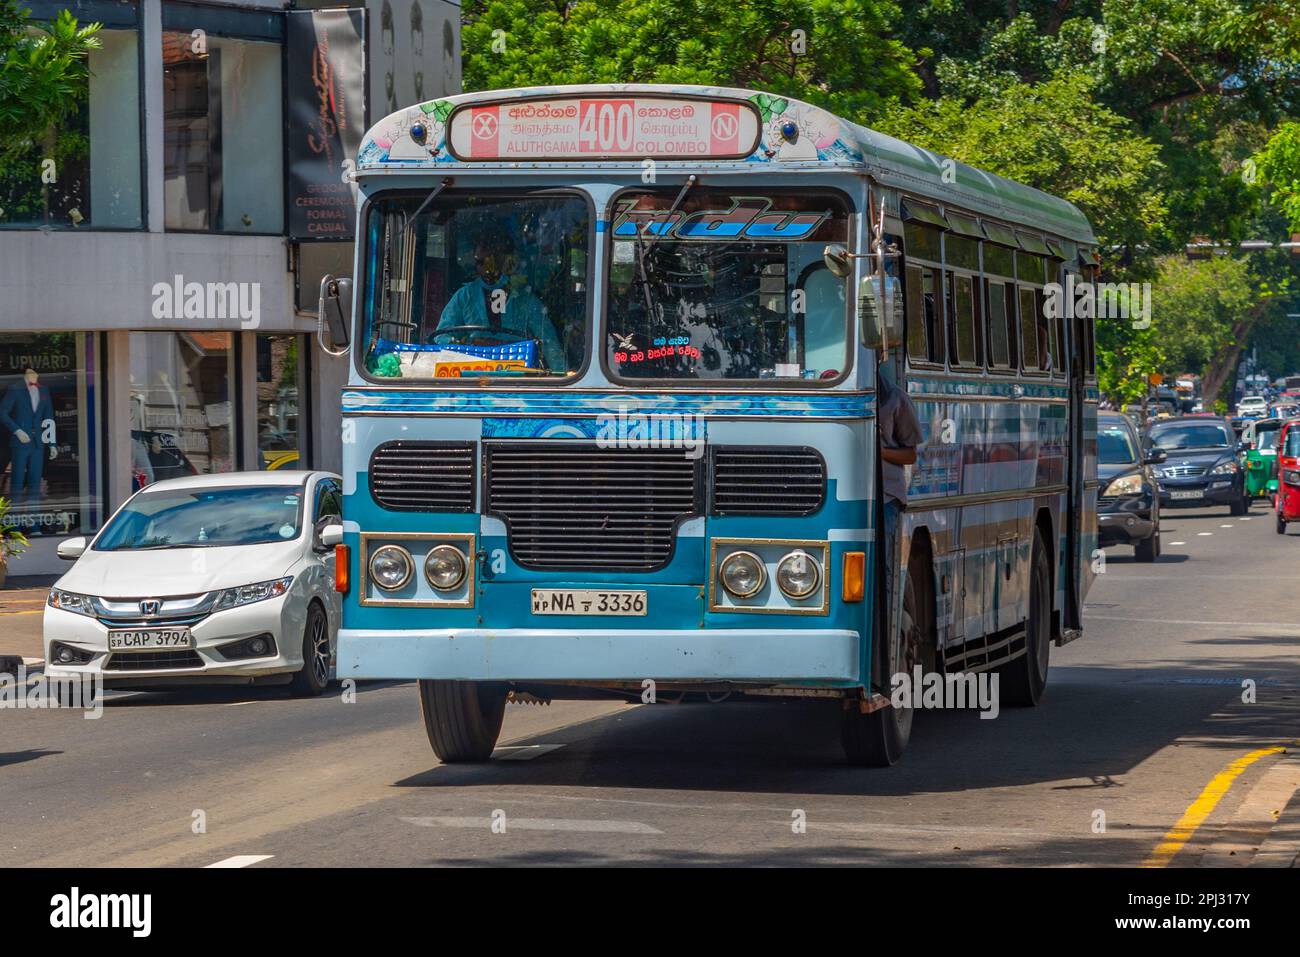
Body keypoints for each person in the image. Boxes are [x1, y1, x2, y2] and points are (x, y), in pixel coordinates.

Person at [435, 231, 567, 372]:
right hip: (471, 376)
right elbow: (441, 336)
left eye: (493, 262)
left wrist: (562, 377)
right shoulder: (465, 296)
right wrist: (466, 343)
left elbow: (549, 342)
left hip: (518, 376)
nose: (487, 269)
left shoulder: (525, 299)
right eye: (480, 262)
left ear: (506, 262)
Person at [877, 355, 923, 611]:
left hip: (886, 495)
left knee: (884, 566)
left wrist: (879, 452)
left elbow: (910, 453)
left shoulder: (894, 398)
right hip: (850, 496)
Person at [0, 368, 56, 507]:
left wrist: (52, 443)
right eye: (32, 372)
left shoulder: (43, 390)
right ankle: (16, 521)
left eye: (37, 373)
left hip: (38, 443)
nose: (35, 375)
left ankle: (34, 522)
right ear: (26, 374)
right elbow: (2, 412)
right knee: (17, 482)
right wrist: (17, 431)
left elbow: (48, 417)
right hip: (20, 442)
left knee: (35, 483)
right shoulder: (15, 389)